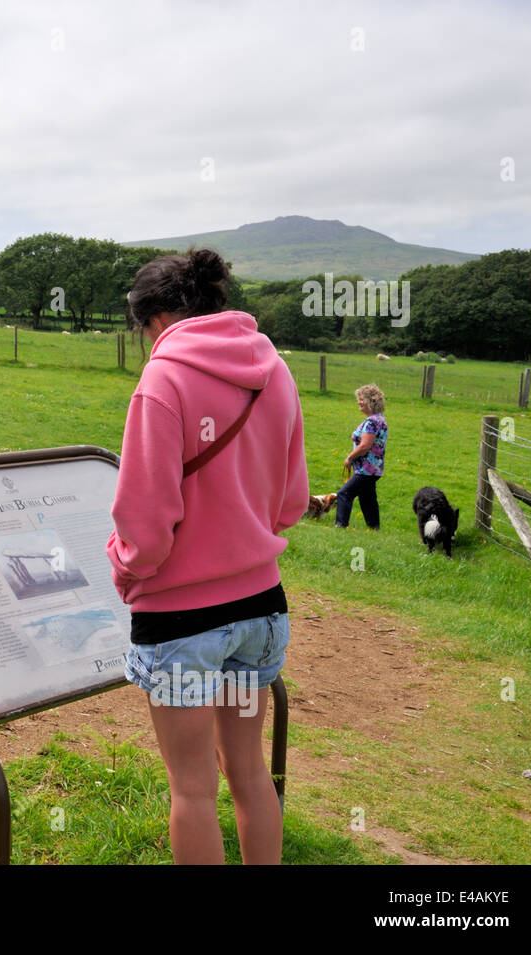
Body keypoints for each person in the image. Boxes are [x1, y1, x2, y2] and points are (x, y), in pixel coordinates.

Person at [105, 247, 309, 865]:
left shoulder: (163, 380)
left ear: (157, 319)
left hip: (181, 622)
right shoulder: (275, 370)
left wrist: (123, 564)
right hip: (261, 607)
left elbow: (145, 527)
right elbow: (292, 502)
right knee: (249, 773)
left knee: (192, 789)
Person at [334, 385, 387, 529]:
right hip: (374, 469)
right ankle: (374, 528)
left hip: (366, 469)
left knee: (344, 494)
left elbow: (365, 446)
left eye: (361, 399)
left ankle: (340, 526)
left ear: (371, 401)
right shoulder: (380, 419)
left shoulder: (371, 422)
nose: (358, 402)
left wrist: (350, 458)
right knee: (367, 499)